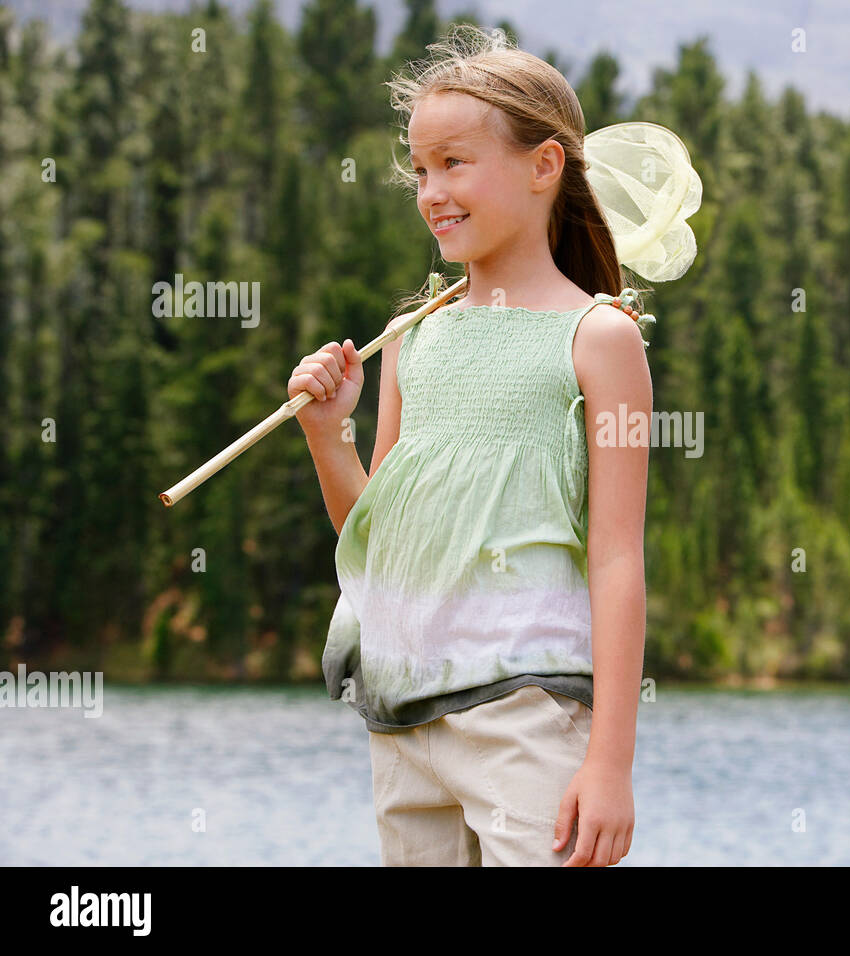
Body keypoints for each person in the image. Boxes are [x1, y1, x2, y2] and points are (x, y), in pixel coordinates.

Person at [289, 25, 651, 867]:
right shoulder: (416, 338)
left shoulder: (598, 339)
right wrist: (324, 432)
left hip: (523, 718)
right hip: (403, 716)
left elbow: (617, 560)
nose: (431, 191)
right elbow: (380, 534)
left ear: (544, 166)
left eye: (454, 163)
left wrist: (609, 762)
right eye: (419, 170)